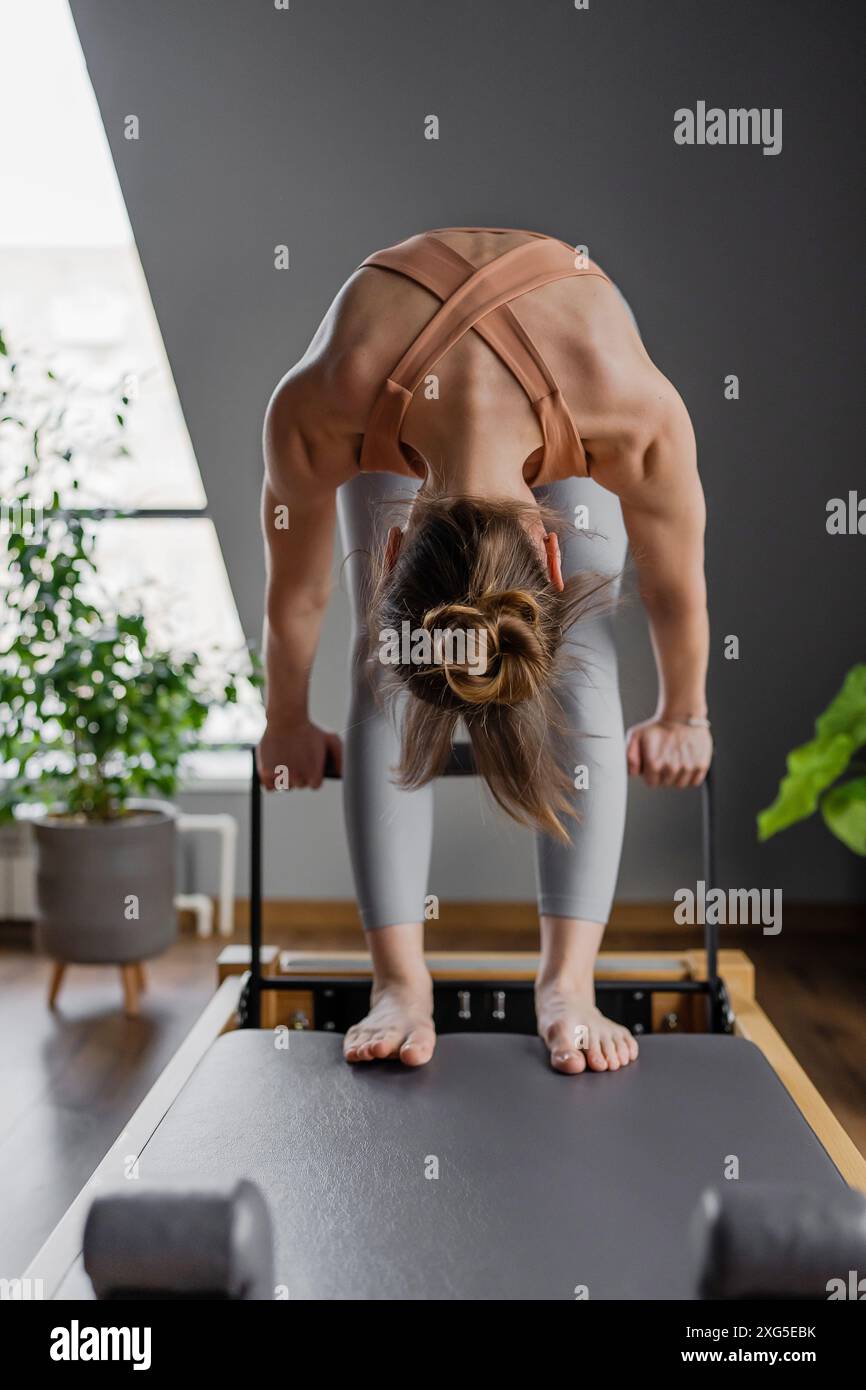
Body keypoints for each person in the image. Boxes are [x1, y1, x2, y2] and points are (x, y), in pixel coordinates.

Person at [257, 227, 711, 1074]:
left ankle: (569, 984)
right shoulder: (327, 409)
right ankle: (399, 982)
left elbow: (674, 587)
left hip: (560, 391)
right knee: (389, 648)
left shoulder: (627, 413)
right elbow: (301, 595)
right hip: (391, 397)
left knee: (584, 655)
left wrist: (688, 713)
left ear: (552, 554)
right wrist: (284, 720)